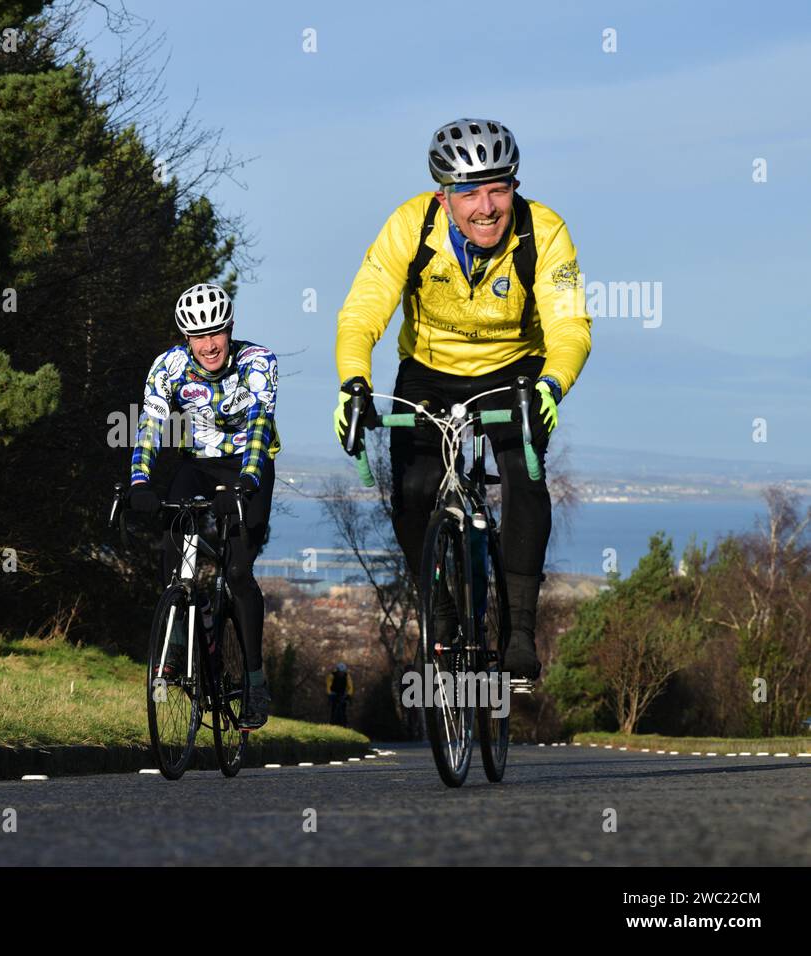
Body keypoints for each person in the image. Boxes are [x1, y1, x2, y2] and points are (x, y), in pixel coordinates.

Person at [333, 119, 592, 680]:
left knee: (524, 479)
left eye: (499, 188)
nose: (486, 207)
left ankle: (519, 632)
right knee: (410, 492)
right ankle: (441, 612)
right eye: (468, 192)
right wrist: (354, 382)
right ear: (442, 198)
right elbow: (363, 311)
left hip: (514, 369)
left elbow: (570, 325)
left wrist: (552, 385)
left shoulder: (543, 232)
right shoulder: (410, 224)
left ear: (515, 187)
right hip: (428, 372)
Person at [128, 282, 280, 727]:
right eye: (198, 336)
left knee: (237, 572)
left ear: (230, 329)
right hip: (198, 463)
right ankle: (177, 640)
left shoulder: (257, 362)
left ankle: (254, 681)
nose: (209, 345)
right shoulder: (169, 367)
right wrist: (139, 481)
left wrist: (248, 482)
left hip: (247, 465)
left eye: (216, 333)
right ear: (185, 339)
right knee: (175, 539)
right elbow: (151, 428)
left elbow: (258, 427)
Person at [327, 662, 354, 726]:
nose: (341, 674)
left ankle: (344, 724)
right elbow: (328, 685)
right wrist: (330, 694)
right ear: (337, 670)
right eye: (339, 672)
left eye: (342, 672)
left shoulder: (347, 676)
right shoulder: (331, 675)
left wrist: (349, 694)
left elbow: (350, 686)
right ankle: (332, 722)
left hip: (342, 694)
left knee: (343, 708)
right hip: (333, 693)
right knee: (333, 708)